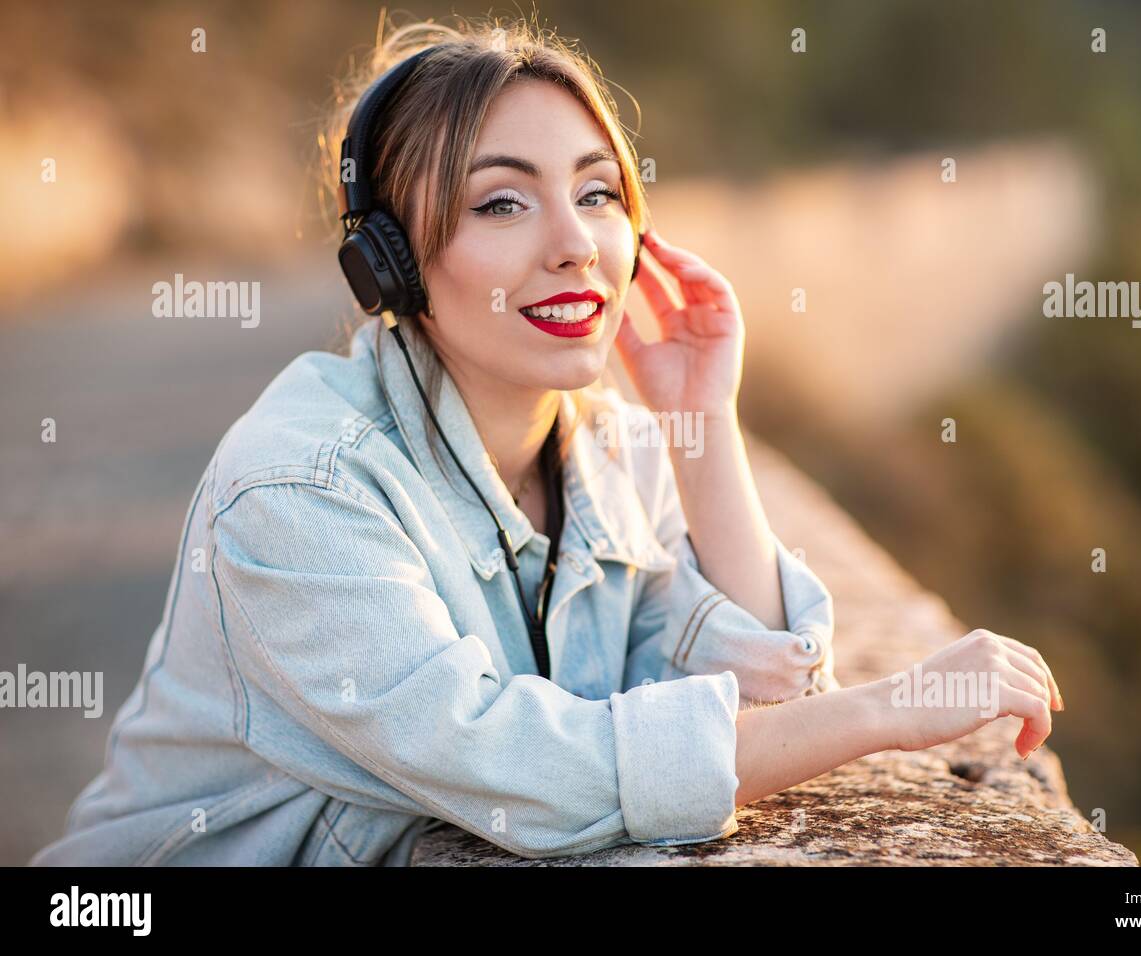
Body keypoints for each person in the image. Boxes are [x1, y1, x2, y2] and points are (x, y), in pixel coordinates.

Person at [31, 17, 1061, 866]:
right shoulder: (299, 491)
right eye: (502, 201)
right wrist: (903, 702)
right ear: (388, 266)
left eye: (597, 192)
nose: (572, 241)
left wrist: (701, 421)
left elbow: (764, 710)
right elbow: (527, 769)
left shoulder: (610, 448)